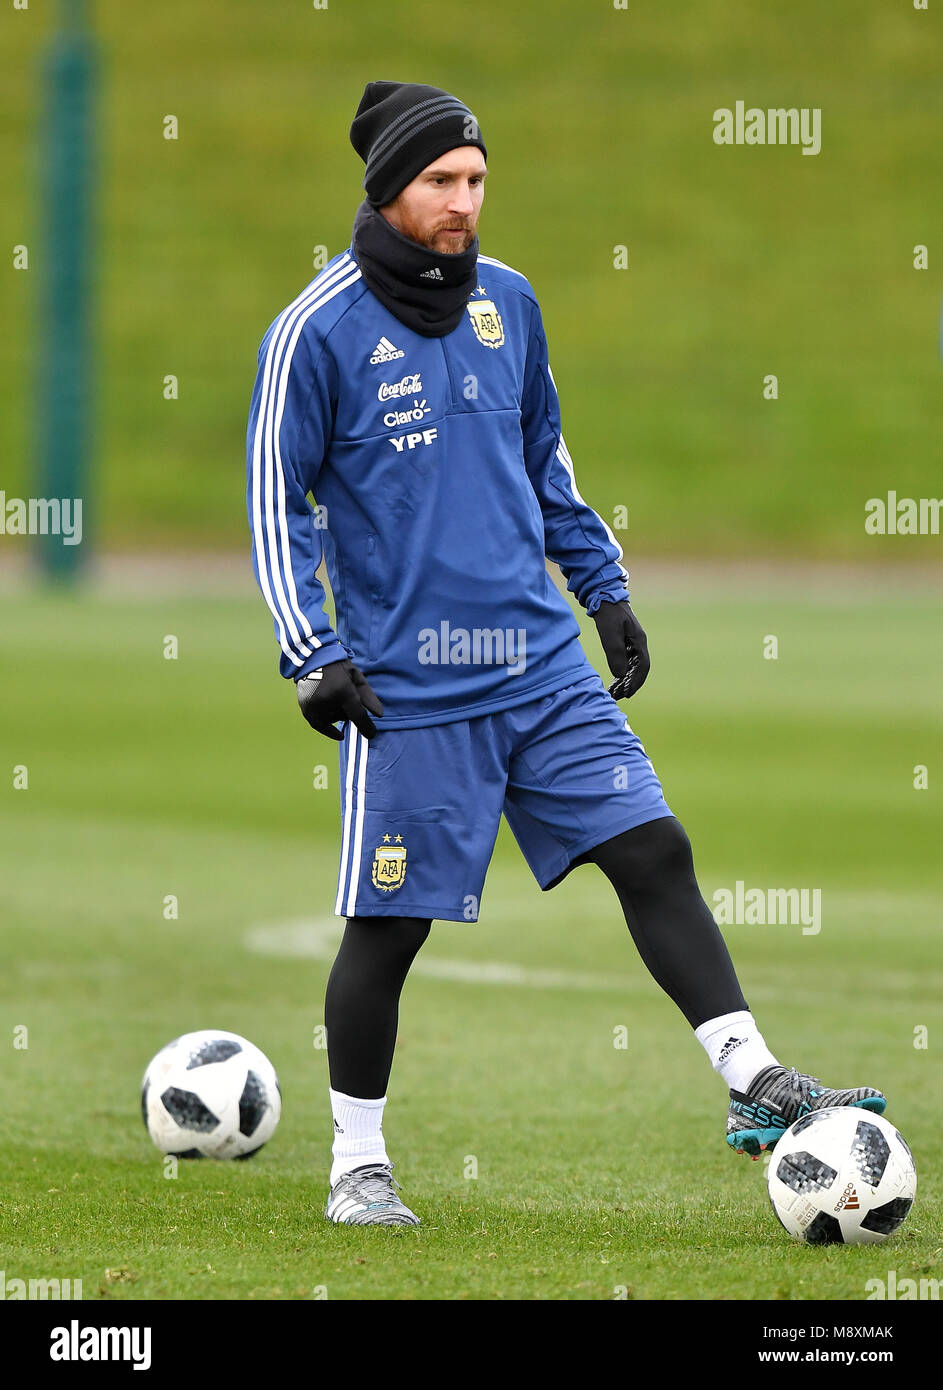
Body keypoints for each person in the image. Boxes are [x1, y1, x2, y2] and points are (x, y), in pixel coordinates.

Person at [246, 81, 885, 1227]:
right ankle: (356, 1164)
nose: (463, 203)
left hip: (539, 666)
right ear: (387, 187)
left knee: (653, 847)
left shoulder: (510, 303)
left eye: (477, 179)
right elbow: (274, 502)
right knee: (389, 929)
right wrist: (313, 651)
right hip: (411, 690)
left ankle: (754, 1079)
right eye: (440, 181)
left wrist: (605, 590)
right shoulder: (315, 331)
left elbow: (547, 462)